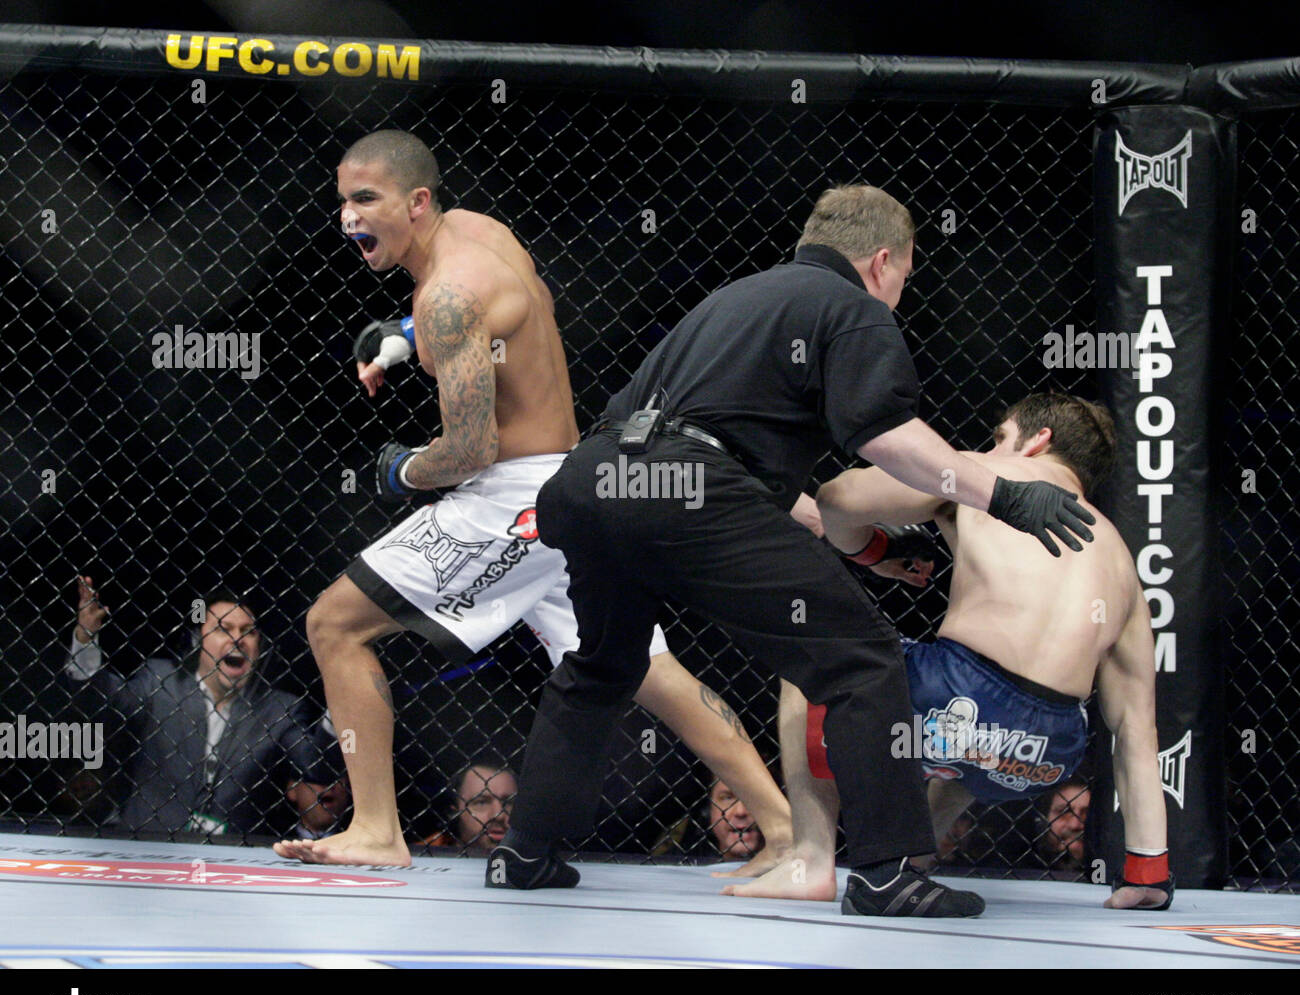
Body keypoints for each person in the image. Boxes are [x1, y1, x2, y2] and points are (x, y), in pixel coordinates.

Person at [490, 186, 1095, 917]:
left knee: (602, 665)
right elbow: (886, 438)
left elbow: (722, 466)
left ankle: (525, 852)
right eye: (905, 275)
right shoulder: (855, 309)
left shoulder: (740, 298)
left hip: (592, 481)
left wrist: (867, 550)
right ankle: (887, 872)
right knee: (862, 657)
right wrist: (1003, 495)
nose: (901, 292)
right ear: (881, 262)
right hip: (687, 488)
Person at [274, 130, 792, 869]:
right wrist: (405, 335)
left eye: (365, 199)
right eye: (341, 201)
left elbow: (469, 449)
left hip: (513, 498)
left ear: (416, 202)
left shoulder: (448, 296)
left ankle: (378, 830)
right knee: (649, 670)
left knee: (334, 625)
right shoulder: (479, 233)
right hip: (572, 484)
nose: (348, 217)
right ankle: (781, 826)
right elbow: (526, 304)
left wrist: (401, 470)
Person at [732, 393, 1172, 910]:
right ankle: (914, 861)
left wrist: (871, 551)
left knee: (818, 660)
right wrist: (1147, 870)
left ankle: (809, 859)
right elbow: (1137, 728)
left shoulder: (985, 473)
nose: (993, 448)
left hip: (961, 698)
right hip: (1047, 752)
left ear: (1036, 442)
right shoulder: (1121, 560)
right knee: (968, 746)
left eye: (1001, 437)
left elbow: (837, 498)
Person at [65, 576, 345, 838]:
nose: (238, 639)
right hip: (149, 848)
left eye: (248, 632)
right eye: (224, 628)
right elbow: (100, 702)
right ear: (199, 640)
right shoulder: (160, 682)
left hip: (233, 860)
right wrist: (85, 639)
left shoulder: (279, 709)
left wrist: (343, 699)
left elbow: (317, 765)